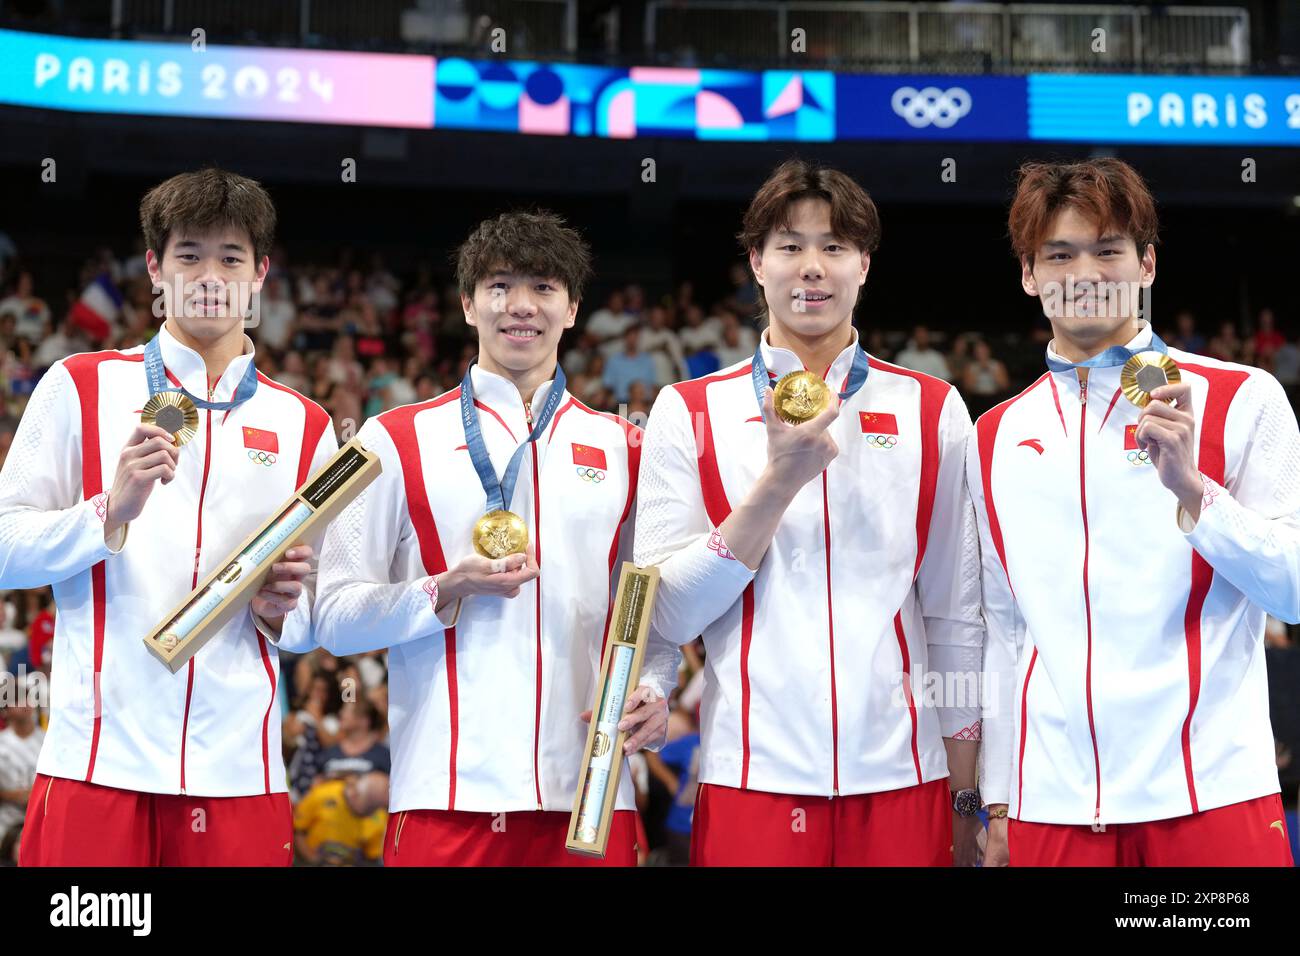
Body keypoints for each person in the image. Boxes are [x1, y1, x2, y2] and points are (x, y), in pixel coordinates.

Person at [635, 159, 983, 866]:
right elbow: (667, 613)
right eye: (790, 246)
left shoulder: (933, 408)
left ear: (864, 264)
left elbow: (955, 614)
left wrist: (971, 793)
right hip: (751, 774)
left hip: (906, 776)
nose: (812, 267)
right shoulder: (688, 410)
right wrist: (775, 486)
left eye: (834, 247)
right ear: (757, 263)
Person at [314, 211, 679, 866]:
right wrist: (440, 590)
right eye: (499, 286)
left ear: (572, 309)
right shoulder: (386, 441)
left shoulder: (627, 447)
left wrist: (653, 688)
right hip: (444, 799)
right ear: (466, 304)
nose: (520, 306)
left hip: (591, 797)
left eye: (543, 287)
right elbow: (334, 618)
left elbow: (651, 613)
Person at [0, 167, 337, 866]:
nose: (209, 274)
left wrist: (283, 609)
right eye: (188, 254)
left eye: (231, 257)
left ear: (260, 273)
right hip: (96, 762)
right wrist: (106, 514)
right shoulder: (81, 386)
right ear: (156, 267)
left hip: (239, 774)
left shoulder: (306, 425)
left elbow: (311, 620)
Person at [974, 158, 1298, 867]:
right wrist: (998, 795)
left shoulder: (1245, 398)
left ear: (1146, 264)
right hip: (1051, 802)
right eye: (1059, 254)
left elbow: (1293, 591)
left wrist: (1195, 493)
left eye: (1108, 250)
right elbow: (1003, 628)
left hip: (1210, 790)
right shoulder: (993, 435)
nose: (1084, 272)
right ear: (1029, 274)